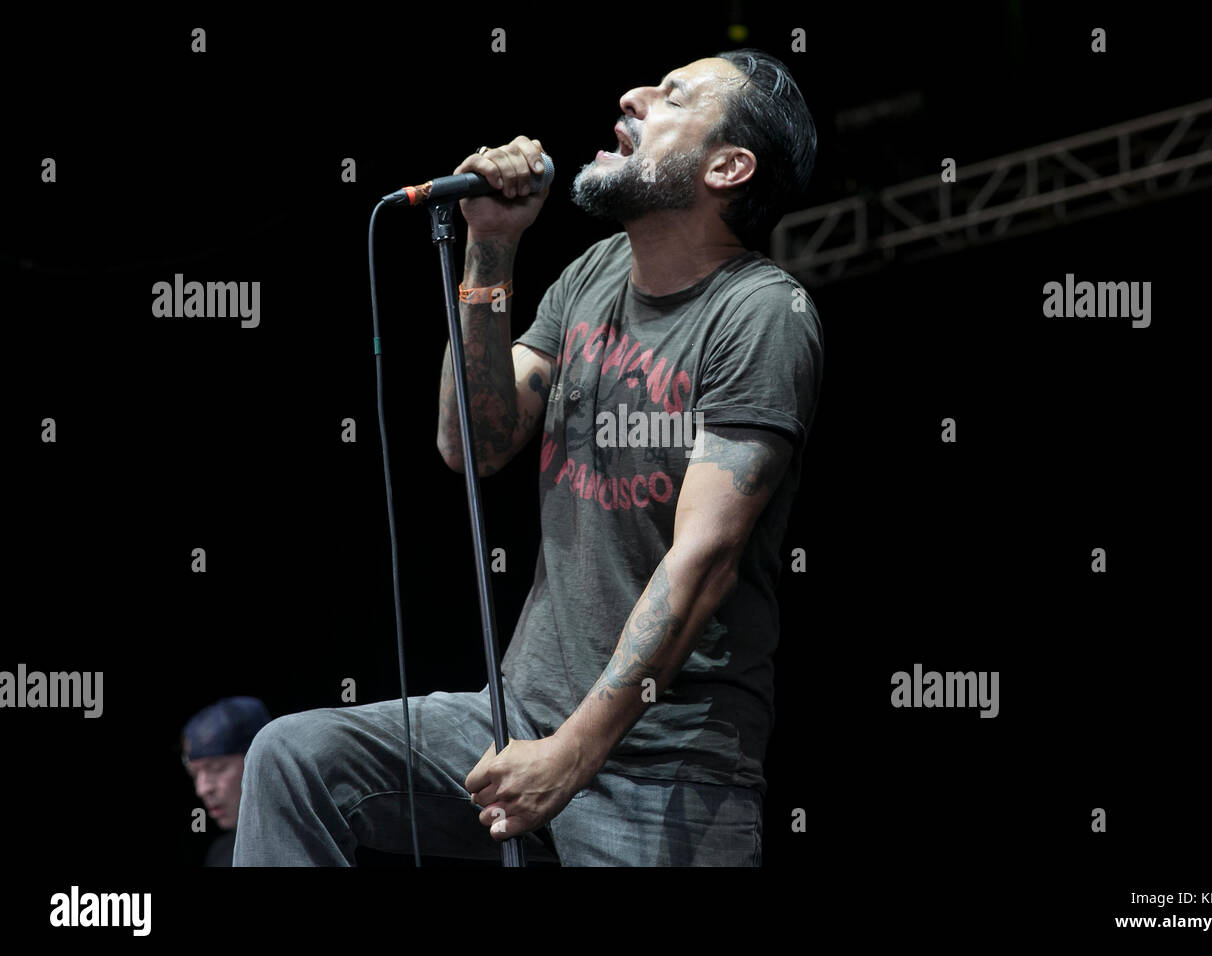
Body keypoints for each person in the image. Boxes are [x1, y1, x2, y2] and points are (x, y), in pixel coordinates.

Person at [234, 48, 822, 867]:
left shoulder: (761, 312)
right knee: (295, 759)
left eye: (673, 95)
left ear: (728, 166)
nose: (635, 94)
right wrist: (492, 248)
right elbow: (470, 445)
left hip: (665, 763)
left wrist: (575, 756)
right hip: (519, 715)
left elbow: (705, 558)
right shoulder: (595, 273)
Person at [180, 696, 271, 866]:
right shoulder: (221, 854)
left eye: (217, 768)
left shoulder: (315, 841)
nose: (202, 789)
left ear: (260, 761)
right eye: (194, 774)